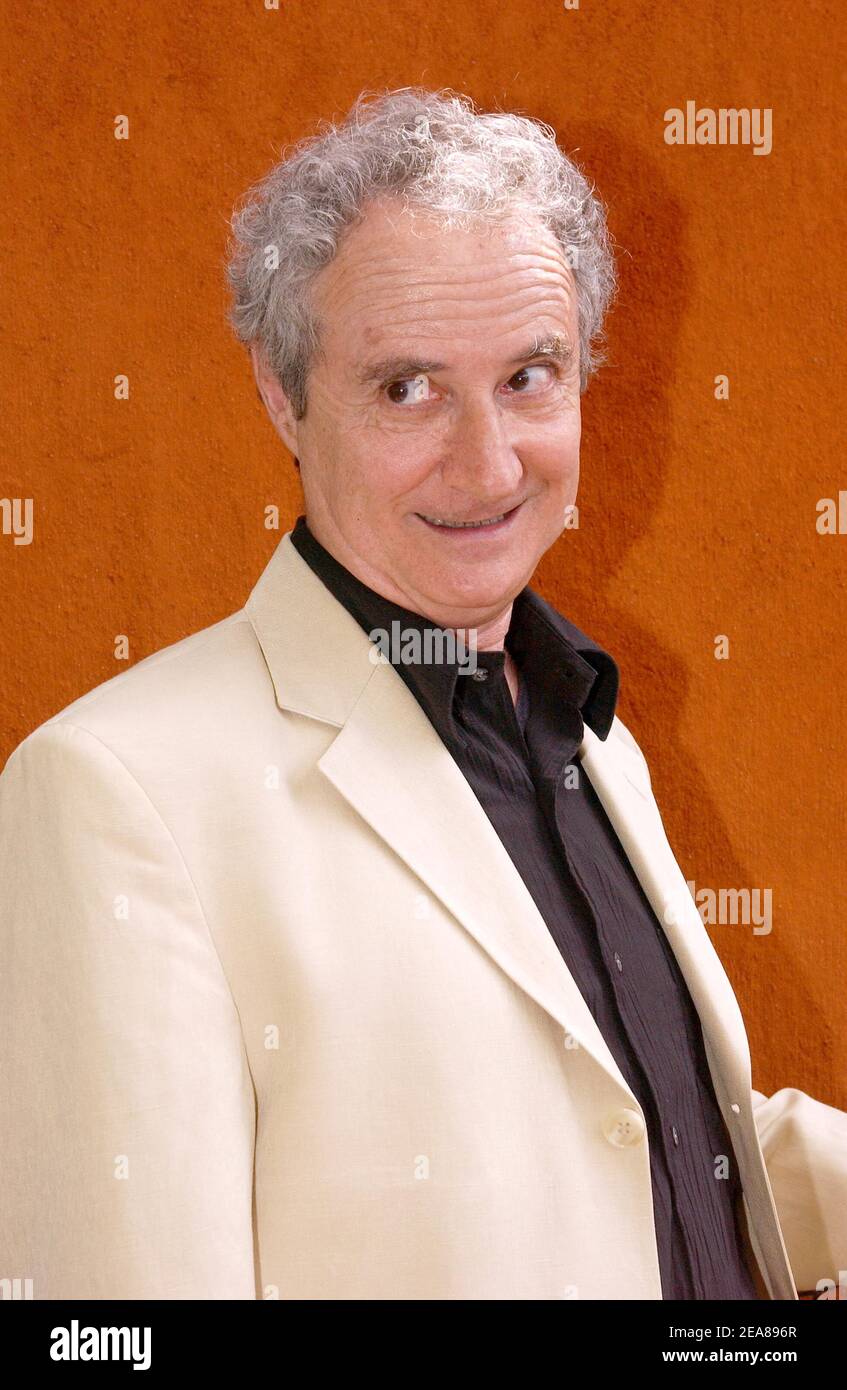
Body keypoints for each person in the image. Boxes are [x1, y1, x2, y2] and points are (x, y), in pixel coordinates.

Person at [1, 87, 845, 1301]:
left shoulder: (583, 729)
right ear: (282, 395)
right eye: (408, 388)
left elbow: (640, 1140)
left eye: (528, 377)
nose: (488, 463)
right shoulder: (113, 791)